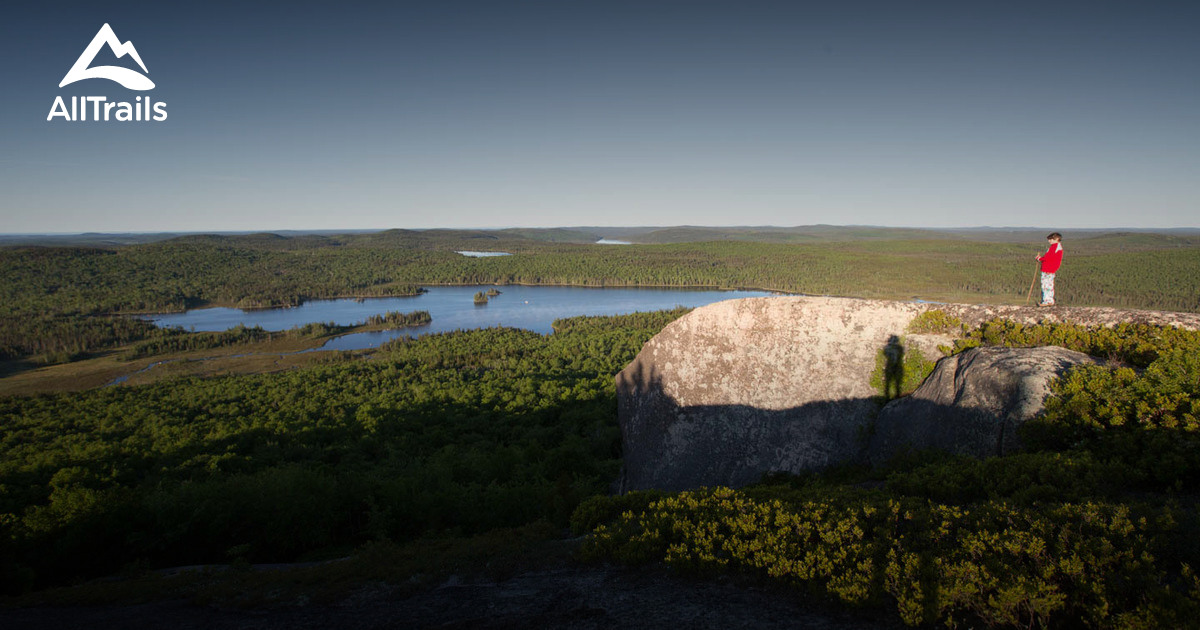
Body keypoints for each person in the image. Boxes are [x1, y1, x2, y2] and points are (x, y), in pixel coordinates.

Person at [1035, 232, 1063, 307]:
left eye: (1051, 239)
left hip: (1048, 268)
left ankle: (1046, 301)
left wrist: (1040, 258)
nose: (1049, 241)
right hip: (1051, 268)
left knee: (1045, 285)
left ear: (1056, 239)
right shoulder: (1057, 247)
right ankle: (1050, 300)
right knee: (1049, 285)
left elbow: (1049, 257)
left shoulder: (1054, 247)